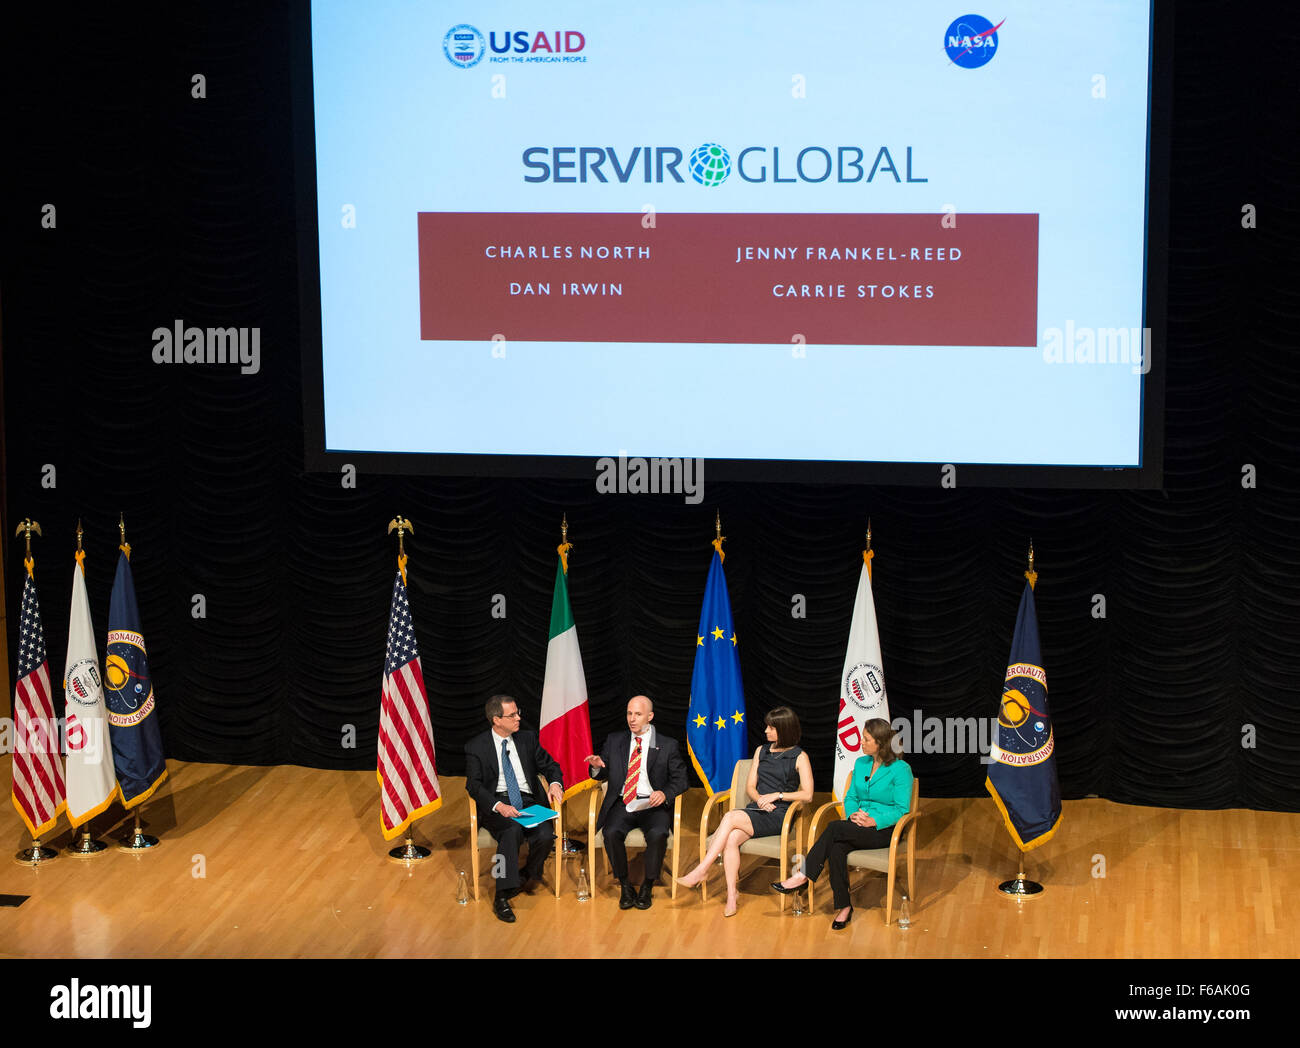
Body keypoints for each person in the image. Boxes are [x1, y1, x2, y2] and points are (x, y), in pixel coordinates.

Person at [771, 717, 913, 929]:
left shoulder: (901, 769)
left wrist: (874, 820)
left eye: (866, 739)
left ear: (880, 744)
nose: (861, 742)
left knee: (833, 827)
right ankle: (844, 907)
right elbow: (850, 797)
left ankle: (803, 875)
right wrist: (853, 814)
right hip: (856, 825)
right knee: (836, 848)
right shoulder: (861, 763)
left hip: (885, 830)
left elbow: (902, 809)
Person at [677, 706, 814, 917]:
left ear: (784, 729)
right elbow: (750, 786)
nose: (766, 730)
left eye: (771, 727)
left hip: (780, 814)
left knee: (730, 816)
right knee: (731, 838)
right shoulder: (762, 751)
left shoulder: (799, 756)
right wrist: (760, 800)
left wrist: (777, 796)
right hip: (757, 809)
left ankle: (702, 869)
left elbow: (807, 794)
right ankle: (732, 895)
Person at [464, 694, 564, 924]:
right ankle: (501, 895)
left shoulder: (527, 739)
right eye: (512, 715)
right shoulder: (476, 747)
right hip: (497, 803)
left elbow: (550, 765)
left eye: (518, 712)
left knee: (546, 834)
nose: (518, 718)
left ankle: (525, 874)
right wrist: (499, 806)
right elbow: (474, 785)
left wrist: (555, 783)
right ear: (497, 720)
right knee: (511, 832)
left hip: (528, 801)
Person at [586, 694, 688, 910]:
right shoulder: (615, 740)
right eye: (629, 713)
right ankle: (625, 885)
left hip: (653, 804)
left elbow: (681, 780)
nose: (632, 719)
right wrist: (596, 767)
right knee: (610, 833)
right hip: (624, 802)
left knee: (658, 833)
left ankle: (647, 886)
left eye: (638, 714)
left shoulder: (667, 745)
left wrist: (665, 793)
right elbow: (602, 774)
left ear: (649, 716)